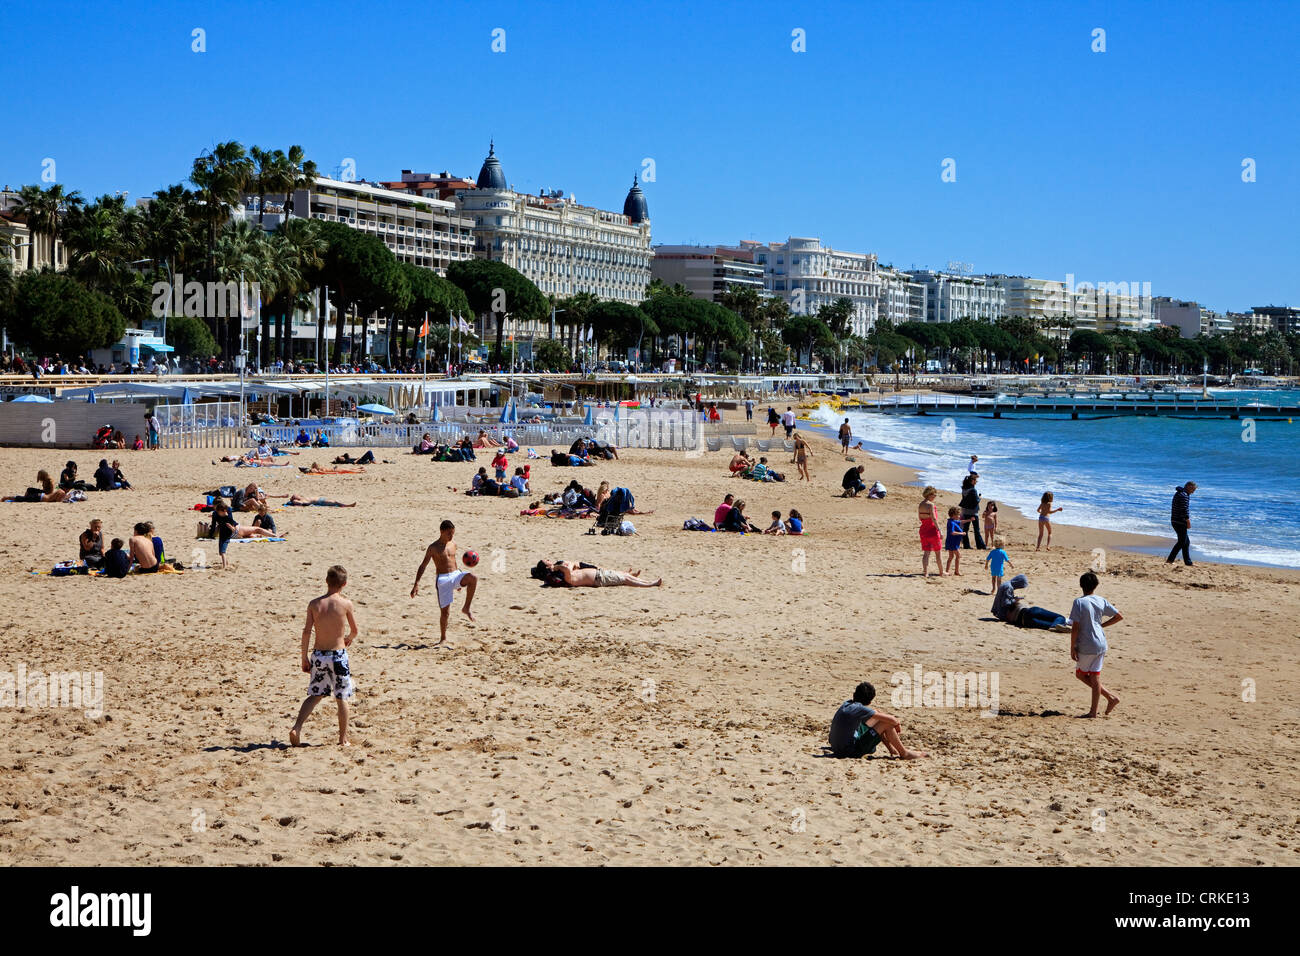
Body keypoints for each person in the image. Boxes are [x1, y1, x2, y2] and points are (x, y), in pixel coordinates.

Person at [291, 565, 359, 747]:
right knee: (342, 697)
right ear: (344, 584)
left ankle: (297, 727)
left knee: (315, 695)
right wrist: (348, 639)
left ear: (326, 581)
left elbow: (306, 632)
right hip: (338, 655)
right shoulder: (346, 604)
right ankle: (342, 738)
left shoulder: (314, 604)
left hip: (319, 655)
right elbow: (354, 630)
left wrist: (304, 657)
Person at [410, 519, 477, 644]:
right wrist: (416, 584)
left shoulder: (453, 544)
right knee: (445, 613)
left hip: (455, 574)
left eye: (453, 533)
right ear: (441, 531)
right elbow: (423, 565)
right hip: (443, 579)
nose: (451, 536)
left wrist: (459, 579)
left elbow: (454, 561)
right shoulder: (433, 548)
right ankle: (443, 638)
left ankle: (466, 608)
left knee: (473, 578)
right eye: (449, 533)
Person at [1068, 571, 1122, 718]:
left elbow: (1075, 627)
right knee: (1094, 675)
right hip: (1101, 643)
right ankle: (1110, 699)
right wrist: (1101, 626)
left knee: (1082, 675)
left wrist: (1072, 647)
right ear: (1096, 586)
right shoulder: (1100, 600)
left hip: (1087, 644)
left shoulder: (1079, 602)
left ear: (1081, 585)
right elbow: (1118, 616)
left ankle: (1098, 707)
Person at [828, 682, 928, 760]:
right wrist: (897, 724)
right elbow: (892, 720)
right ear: (870, 701)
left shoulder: (848, 704)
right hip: (849, 751)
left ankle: (892, 750)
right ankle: (905, 753)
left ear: (854, 694)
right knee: (885, 723)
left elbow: (876, 714)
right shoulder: (860, 709)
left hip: (837, 747)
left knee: (877, 716)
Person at [991, 574, 1071, 631]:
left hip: (1024, 622)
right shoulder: (1008, 587)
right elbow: (1006, 603)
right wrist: (1015, 600)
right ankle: (1063, 623)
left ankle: (1057, 625)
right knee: (1060, 617)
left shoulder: (1005, 586)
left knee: (1050, 626)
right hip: (1027, 611)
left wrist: (1013, 599)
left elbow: (1004, 602)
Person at [533, 558, 662, 588]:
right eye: (547, 561)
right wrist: (558, 567)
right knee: (625, 579)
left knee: (625, 577)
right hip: (598, 578)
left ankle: (648, 582)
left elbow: (570, 567)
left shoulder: (567, 575)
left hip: (598, 576)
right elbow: (567, 570)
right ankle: (650, 584)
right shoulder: (568, 577)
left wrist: (559, 567)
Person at [1166, 481, 1197, 567]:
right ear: (1189, 487)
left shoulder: (1179, 493)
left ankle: (1188, 562)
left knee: (1186, 542)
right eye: (1193, 489)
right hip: (1180, 521)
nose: (1193, 491)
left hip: (1175, 520)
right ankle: (1170, 560)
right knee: (1182, 542)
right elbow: (1184, 510)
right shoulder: (1184, 495)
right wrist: (1188, 522)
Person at [918, 486, 943, 577]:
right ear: (929, 494)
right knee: (938, 552)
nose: (935, 496)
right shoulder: (931, 505)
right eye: (934, 494)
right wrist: (940, 530)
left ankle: (925, 572)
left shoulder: (921, 504)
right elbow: (934, 518)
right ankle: (941, 572)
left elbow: (920, 517)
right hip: (932, 530)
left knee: (926, 552)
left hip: (923, 529)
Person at [210, 500, 239, 570]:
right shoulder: (215, 514)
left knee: (223, 552)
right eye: (223, 511)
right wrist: (211, 534)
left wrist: (232, 528)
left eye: (225, 511)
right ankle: (227, 563)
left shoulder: (227, 515)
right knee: (220, 552)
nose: (225, 512)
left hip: (227, 534)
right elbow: (213, 525)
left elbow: (233, 523)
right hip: (221, 533)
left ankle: (224, 566)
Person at [960, 473, 984, 549]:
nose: (976, 482)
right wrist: (980, 497)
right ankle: (980, 546)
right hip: (973, 511)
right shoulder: (973, 490)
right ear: (972, 481)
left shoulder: (964, 489)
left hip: (965, 510)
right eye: (975, 480)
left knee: (965, 529)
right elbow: (976, 501)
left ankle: (966, 545)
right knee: (976, 530)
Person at [943, 506, 966, 575]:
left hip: (952, 542)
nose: (959, 516)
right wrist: (961, 533)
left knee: (951, 557)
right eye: (958, 515)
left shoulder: (952, 521)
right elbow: (952, 532)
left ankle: (947, 571)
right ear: (953, 515)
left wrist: (969, 520)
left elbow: (960, 521)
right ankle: (956, 571)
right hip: (952, 543)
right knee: (958, 556)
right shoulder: (951, 523)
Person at [282, 495, 356, 507]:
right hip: (319, 502)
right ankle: (347, 505)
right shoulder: (298, 501)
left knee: (334, 500)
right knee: (335, 502)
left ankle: (346, 505)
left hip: (321, 499)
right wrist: (294, 502)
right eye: (294, 496)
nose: (297, 495)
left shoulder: (302, 497)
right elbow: (302, 504)